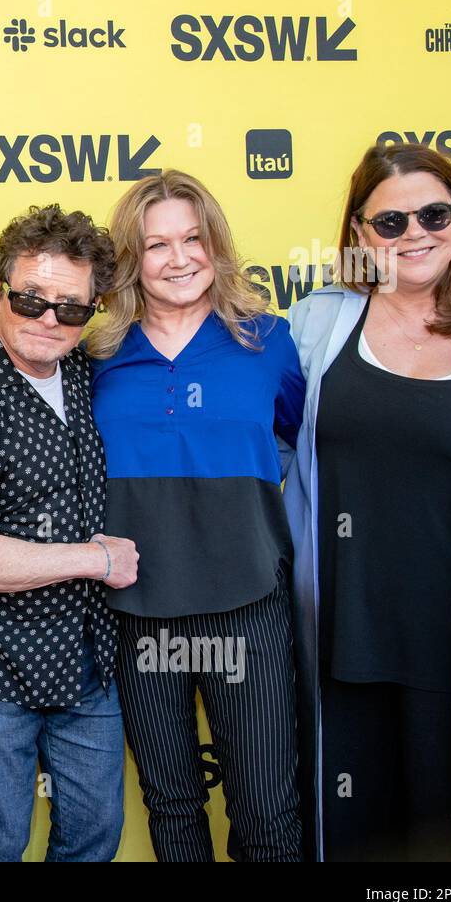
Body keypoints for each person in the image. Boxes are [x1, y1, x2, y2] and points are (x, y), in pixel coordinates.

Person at [284, 142, 451, 861]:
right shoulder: (313, 325)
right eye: (390, 222)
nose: (415, 233)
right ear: (361, 235)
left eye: (433, 213)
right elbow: (268, 457)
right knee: (354, 832)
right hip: (341, 634)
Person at [86, 171, 304, 862]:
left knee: (267, 813)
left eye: (193, 239)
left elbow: (299, 441)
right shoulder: (95, 354)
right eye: (157, 245)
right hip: (138, 608)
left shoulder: (269, 341)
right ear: (131, 259)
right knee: (173, 808)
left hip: (249, 602)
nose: (179, 259)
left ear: (216, 245)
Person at [0, 204, 138, 861]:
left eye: (71, 308)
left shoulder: (90, 370)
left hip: (89, 662)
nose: (48, 320)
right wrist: (94, 560)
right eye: (31, 299)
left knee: (95, 836)